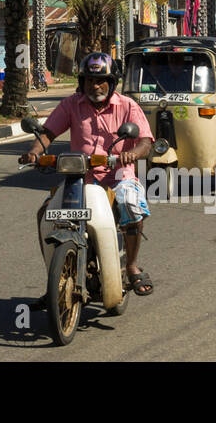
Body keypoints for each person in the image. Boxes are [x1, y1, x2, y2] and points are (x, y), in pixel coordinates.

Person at [20, 52, 155, 296]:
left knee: (131, 206)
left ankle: (133, 266)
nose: (95, 85)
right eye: (89, 80)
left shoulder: (127, 106)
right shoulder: (71, 104)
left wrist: (132, 154)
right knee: (45, 213)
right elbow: (48, 132)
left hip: (118, 177)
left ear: (112, 82)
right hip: (79, 179)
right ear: (82, 82)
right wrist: (34, 152)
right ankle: (54, 276)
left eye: (101, 80)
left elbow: (145, 141)